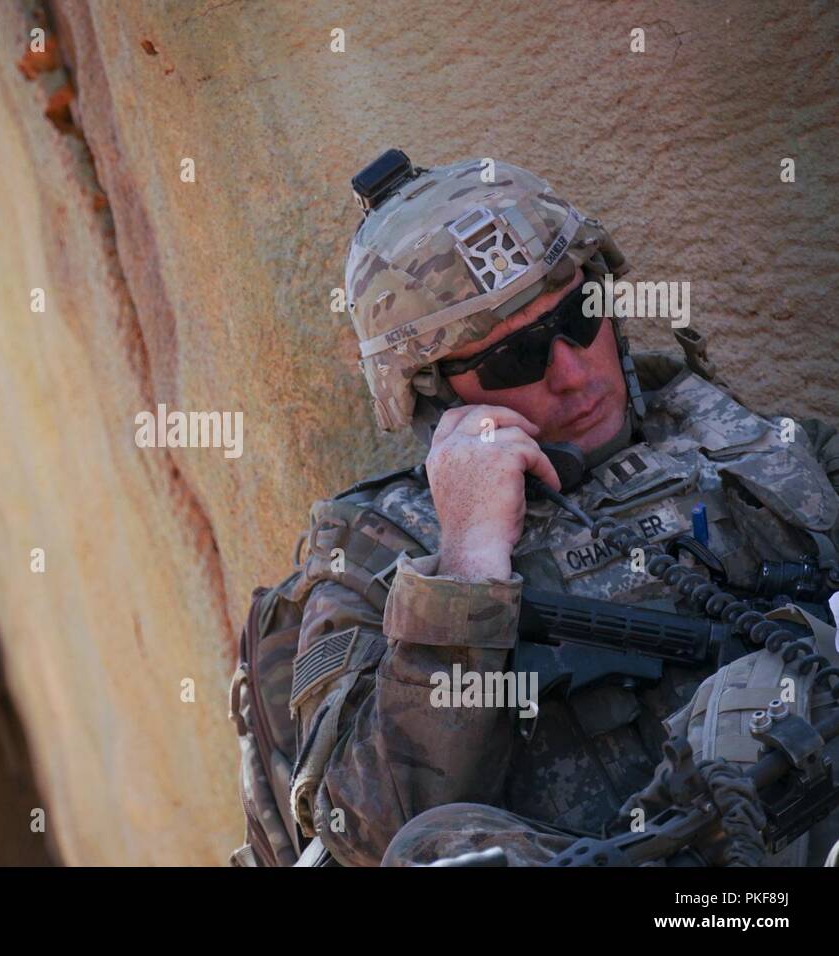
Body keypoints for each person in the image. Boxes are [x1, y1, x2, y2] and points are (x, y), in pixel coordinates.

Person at [234, 152, 839, 867]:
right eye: (514, 359)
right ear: (435, 393)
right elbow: (369, 837)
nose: (573, 373)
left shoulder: (763, 444)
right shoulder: (371, 557)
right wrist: (465, 568)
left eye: (581, 316)